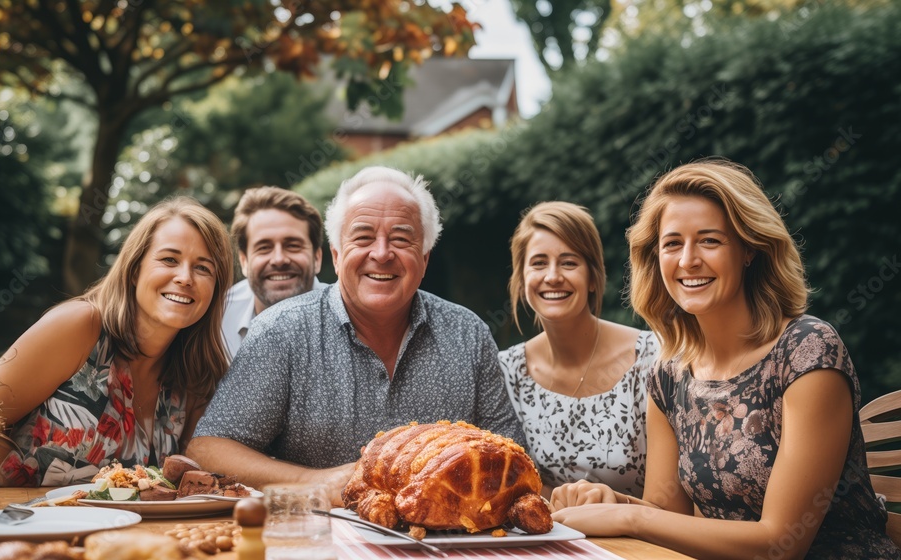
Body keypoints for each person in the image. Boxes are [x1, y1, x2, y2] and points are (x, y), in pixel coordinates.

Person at [550, 159, 900, 559]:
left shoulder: (807, 353)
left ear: (749, 249)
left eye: (710, 240)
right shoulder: (669, 374)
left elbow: (779, 544)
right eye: (672, 243)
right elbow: (666, 515)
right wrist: (612, 502)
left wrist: (632, 519)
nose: (687, 260)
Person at [187, 166, 526, 501]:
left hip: (449, 544)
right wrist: (315, 482)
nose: (381, 253)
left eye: (401, 238)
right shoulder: (281, 331)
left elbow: (512, 458)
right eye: (363, 237)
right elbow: (210, 448)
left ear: (424, 258)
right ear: (336, 255)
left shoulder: (468, 335)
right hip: (319, 540)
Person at [0, 197, 234, 487]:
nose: (185, 278)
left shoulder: (198, 376)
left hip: (114, 532)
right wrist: (24, 492)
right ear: (135, 269)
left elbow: (190, 480)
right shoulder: (81, 325)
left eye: (203, 268)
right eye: (169, 260)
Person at [500, 202, 658, 500]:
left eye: (569, 262)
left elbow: (672, 503)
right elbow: (512, 480)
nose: (553, 276)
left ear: (594, 278)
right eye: (538, 263)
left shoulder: (650, 357)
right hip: (548, 537)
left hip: (641, 541)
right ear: (521, 280)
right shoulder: (507, 372)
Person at [223, 186, 324, 358]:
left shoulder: (353, 320)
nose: (279, 259)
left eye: (293, 245)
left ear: (317, 258)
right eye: (264, 248)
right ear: (244, 261)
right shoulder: (216, 319)